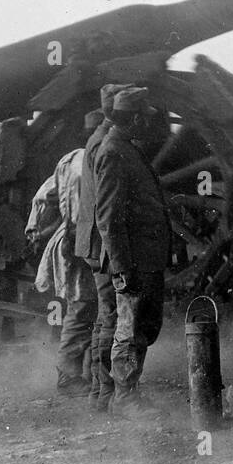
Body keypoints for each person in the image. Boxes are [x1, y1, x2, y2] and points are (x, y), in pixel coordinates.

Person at [95, 87, 173, 416]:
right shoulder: (114, 151)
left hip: (144, 256)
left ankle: (126, 393)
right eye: (145, 117)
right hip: (134, 260)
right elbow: (108, 219)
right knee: (130, 328)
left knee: (139, 326)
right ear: (137, 117)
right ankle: (125, 399)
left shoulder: (124, 148)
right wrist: (122, 268)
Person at [25, 110, 104, 397]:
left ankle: (84, 373)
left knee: (83, 306)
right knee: (84, 308)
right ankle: (69, 378)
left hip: (70, 240)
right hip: (88, 243)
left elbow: (43, 197)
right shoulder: (95, 164)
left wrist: (36, 229)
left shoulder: (69, 159)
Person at [77, 84, 127, 412]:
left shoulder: (96, 139)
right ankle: (107, 392)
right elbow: (107, 210)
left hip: (93, 243)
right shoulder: (107, 145)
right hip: (102, 245)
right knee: (111, 316)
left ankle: (98, 388)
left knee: (104, 315)